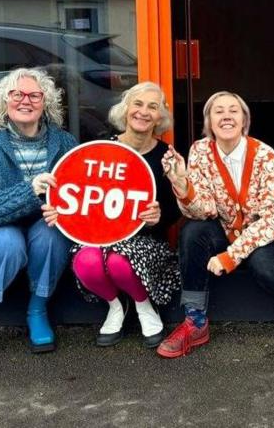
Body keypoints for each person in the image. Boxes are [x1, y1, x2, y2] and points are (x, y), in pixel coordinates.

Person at [157, 91, 274, 358]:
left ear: (244, 120)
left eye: (233, 110)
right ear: (209, 121)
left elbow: (273, 218)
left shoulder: (264, 154)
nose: (226, 115)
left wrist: (230, 256)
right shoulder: (200, 150)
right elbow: (204, 210)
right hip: (227, 228)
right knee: (192, 232)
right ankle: (195, 320)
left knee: (261, 259)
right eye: (218, 111)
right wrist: (182, 184)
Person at [0, 67, 78, 366]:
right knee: (6, 242)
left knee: (52, 234)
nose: (26, 101)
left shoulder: (64, 143)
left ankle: (37, 311)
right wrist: (29, 191)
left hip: (40, 230)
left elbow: (79, 194)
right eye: (16, 94)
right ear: (3, 102)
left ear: (45, 102)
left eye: (35, 95)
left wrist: (65, 211)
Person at [41, 82, 180, 348]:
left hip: (145, 240)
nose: (143, 112)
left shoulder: (166, 156)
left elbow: (176, 210)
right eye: (137, 104)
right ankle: (116, 306)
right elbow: (76, 193)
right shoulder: (101, 147)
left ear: (160, 116)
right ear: (125, 109)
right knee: (86, 261)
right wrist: (55, 206)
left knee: (118, 261)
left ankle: (143, 305)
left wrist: (159, 215)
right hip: (97, 235)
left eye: (153, 107)